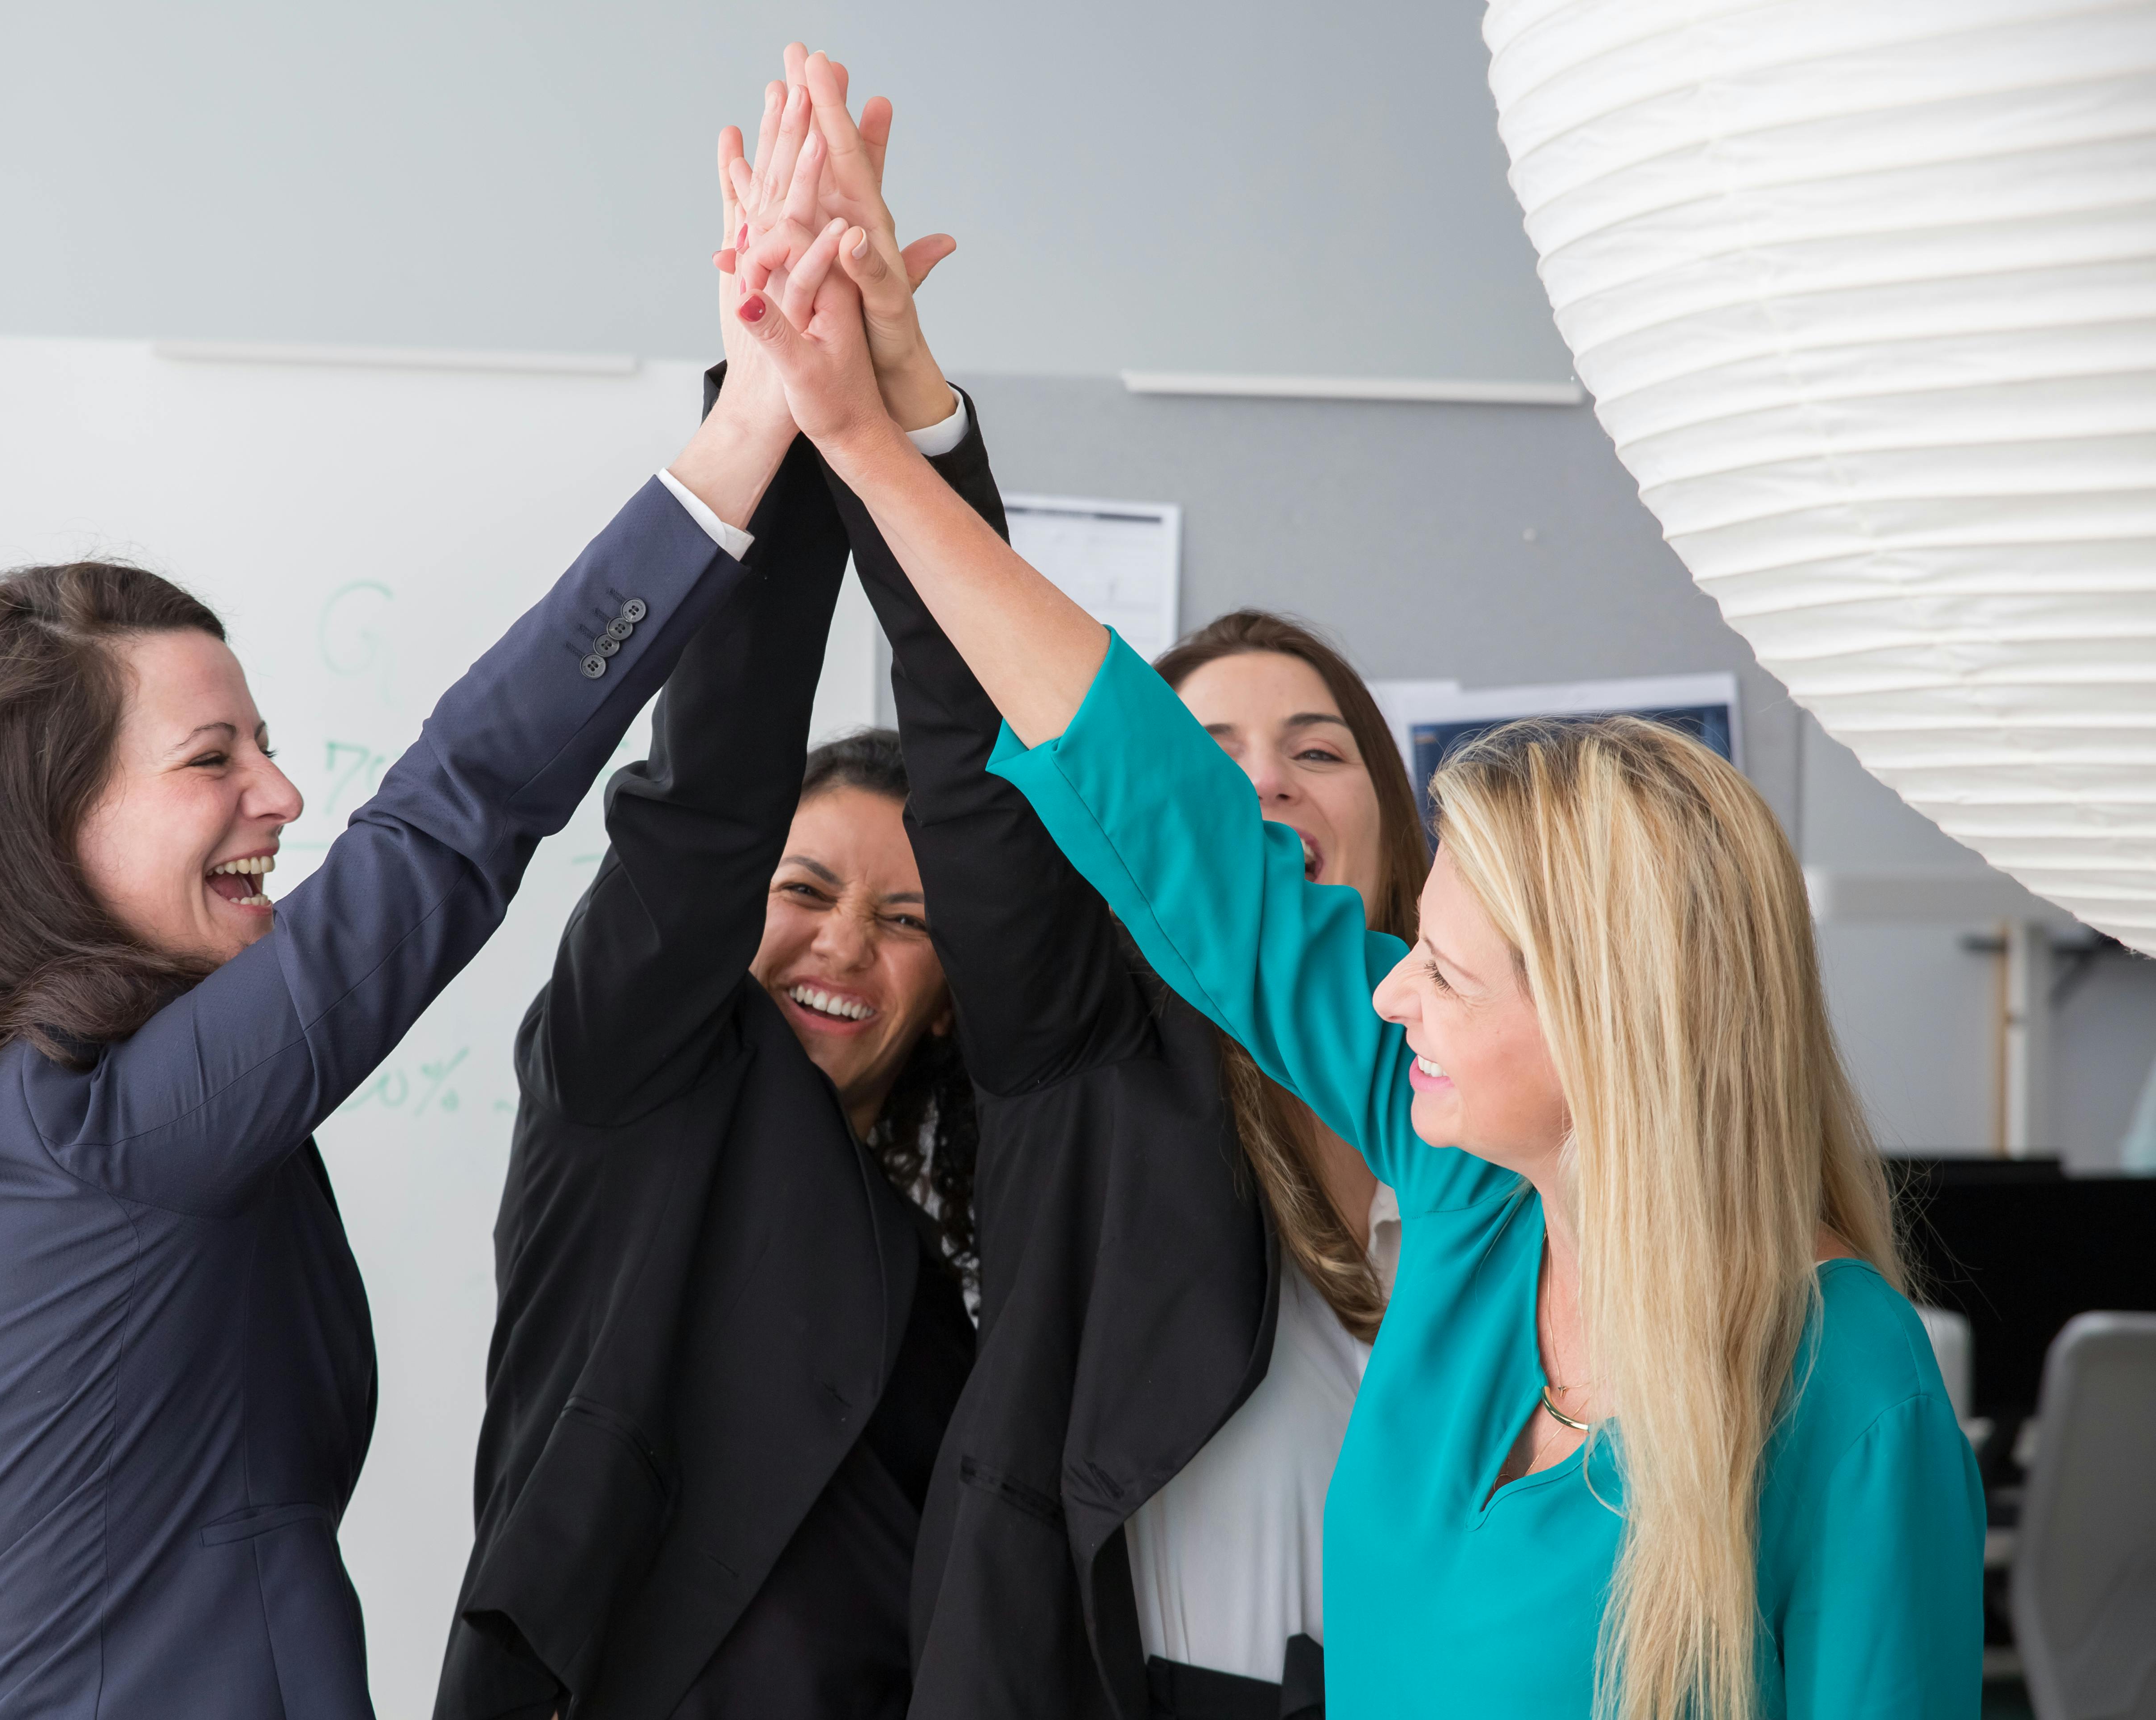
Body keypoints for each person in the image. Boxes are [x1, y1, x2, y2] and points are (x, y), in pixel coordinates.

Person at [736, 200, 1987, 1719]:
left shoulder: (1845, 1388)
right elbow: (1157, 796)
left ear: (1616, 1031)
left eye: (1446, 975)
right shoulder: (1472, 1198)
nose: (1392, 989)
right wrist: (874, 439)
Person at [0, 159, 806, 1718]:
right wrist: (744, 436)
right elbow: (456, 814)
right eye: (212, 759)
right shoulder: (111, 1129)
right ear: (47, 829)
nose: (284, 795)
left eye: (266, 746)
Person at [734, 56, 1421, 1720]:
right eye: (1211, 756)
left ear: (1396, 826)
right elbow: (1006, 733)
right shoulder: (1092, 1061)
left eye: (1315, 752)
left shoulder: (1477, 1113)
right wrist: (902, 429)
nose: (1257, 786)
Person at [435, 50, 989, 1720]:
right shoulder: (635, 1081)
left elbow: (1006, 809)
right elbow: (702, 807)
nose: (844, 947)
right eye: (809, 891)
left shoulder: (1000, 1179)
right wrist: (792, 408)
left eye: (907, 925)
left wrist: (912, 434)